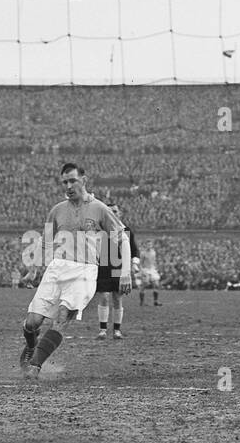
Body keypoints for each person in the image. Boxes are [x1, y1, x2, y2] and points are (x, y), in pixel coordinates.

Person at [20, 162, 129, 380]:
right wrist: (33, 270)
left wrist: (125, 272)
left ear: (84, 180)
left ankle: (35, 366)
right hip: (57, 269)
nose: (68, 186)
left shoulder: (99, 208)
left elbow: (122, 238)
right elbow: (45, 242)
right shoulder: (57, 210)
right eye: (65, 182)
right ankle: (32, 345)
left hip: (85, 272)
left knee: (62, 317)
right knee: (32, 323)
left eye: (72, 180)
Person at [92, 202, 137, 339]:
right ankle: (103, 329)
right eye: (110, 211)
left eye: (115, 211)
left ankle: (117, 330)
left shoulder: (126, 230)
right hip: (103, 268)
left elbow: (134, 250)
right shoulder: (100, 231)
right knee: (104, 297)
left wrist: (134, 265)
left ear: (119, 213)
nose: (113, 214)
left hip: (119, 268)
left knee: (117, 298)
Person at [138, 240, 162, 307]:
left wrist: (156, 268)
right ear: (145, 245)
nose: (149, 246)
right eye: (148, 244)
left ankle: (155, 301)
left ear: (152, 245)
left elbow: (154, 261)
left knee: (156, 284)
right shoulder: (143, 253)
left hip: (152, 269)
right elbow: (140, 263)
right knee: (144, 285)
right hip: (145, 269)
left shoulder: (153, 252)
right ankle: (142, 302)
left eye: (150, 245)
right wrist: (142, 271)